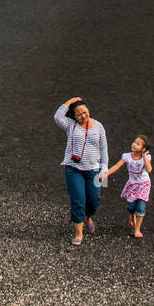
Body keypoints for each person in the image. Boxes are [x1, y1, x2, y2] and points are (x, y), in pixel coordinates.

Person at [54, 96, 108, 246]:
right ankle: (78, 233)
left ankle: (88, 217)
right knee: (78, 200)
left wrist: (105, 169)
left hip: (95, 170)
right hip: (73, 169)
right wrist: (70, 101)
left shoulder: (98, 126)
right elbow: (57, 116)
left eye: (84, 112)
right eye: (79, 114)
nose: (83, 116)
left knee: (94, 201)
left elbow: (104, 148)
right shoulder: (70, 125)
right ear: (74, 116)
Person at [104, 136, 152, 238]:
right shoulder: (127, 156)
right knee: (131, 206)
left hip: (144, 184)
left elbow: (149, 170)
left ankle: (137, 229)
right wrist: (106, 174)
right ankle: (131, 214)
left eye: (138, 144)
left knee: (141, 207)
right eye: (134, 142)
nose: (134, 144)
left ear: (143, 149)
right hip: (132, 184)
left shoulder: (147, 158)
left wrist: (144, 157)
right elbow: (117, 166)